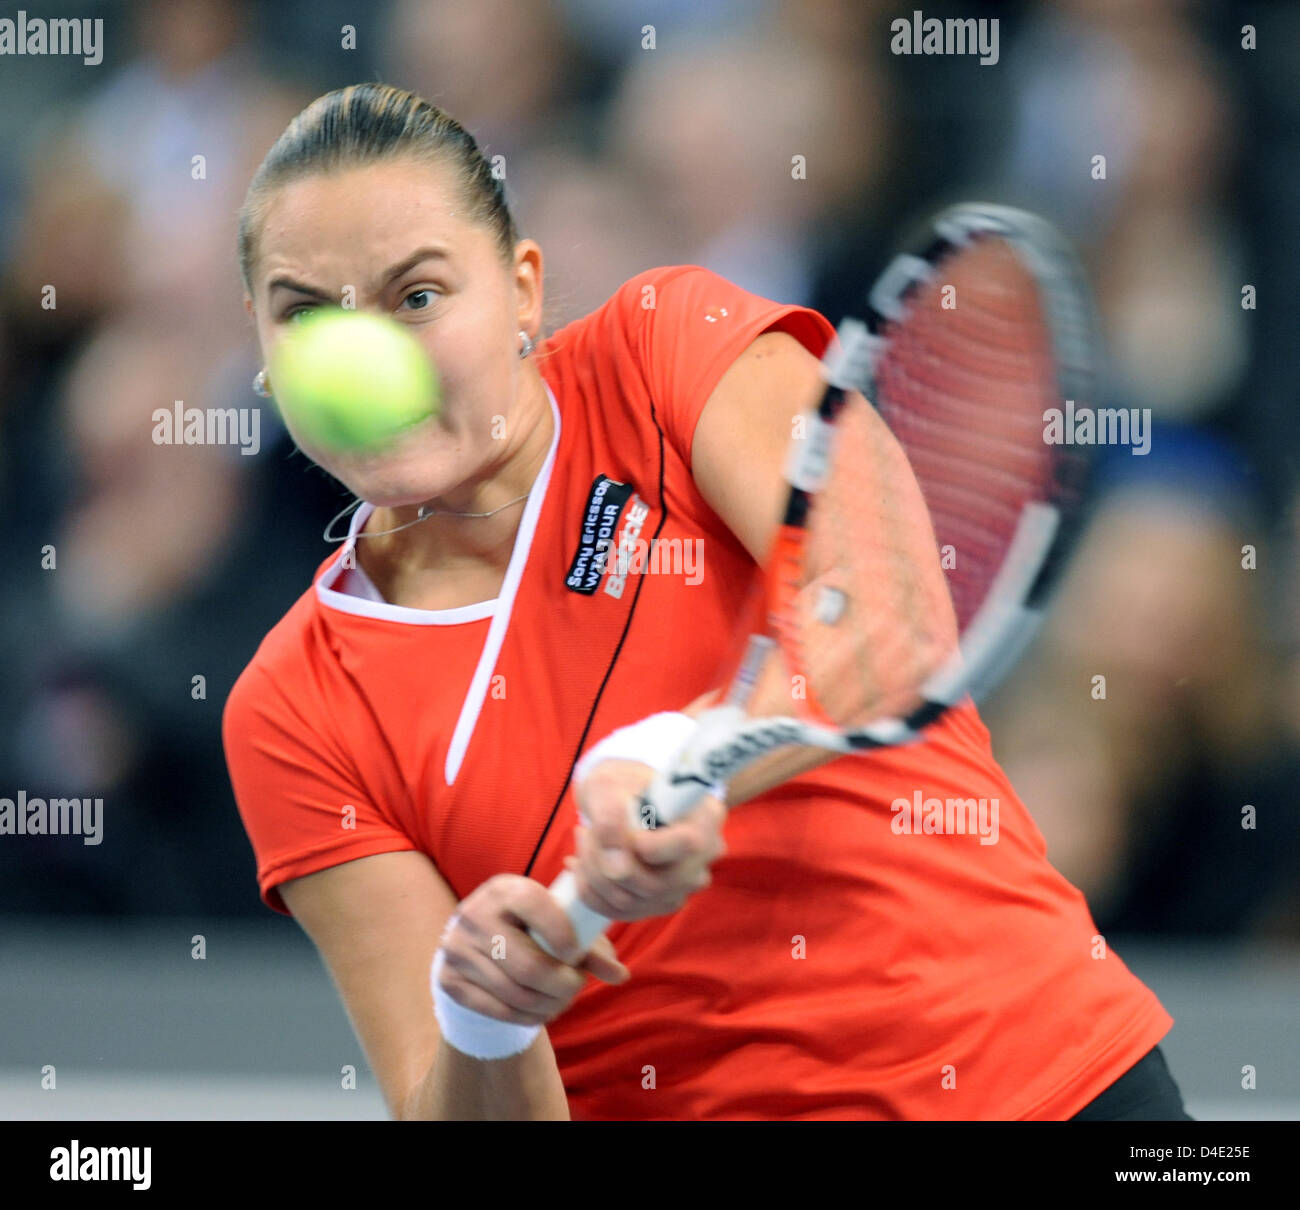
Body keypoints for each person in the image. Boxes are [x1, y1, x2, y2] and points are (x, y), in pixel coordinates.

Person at [223, 83, 1189, 1121]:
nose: (364, 352)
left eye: (417, 296)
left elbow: (882, 611)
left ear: (521, 291)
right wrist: (487, 1021)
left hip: (1045, 1085)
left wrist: (684, 759)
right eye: (306, 312)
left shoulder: (661, 345)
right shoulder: (291, 710)